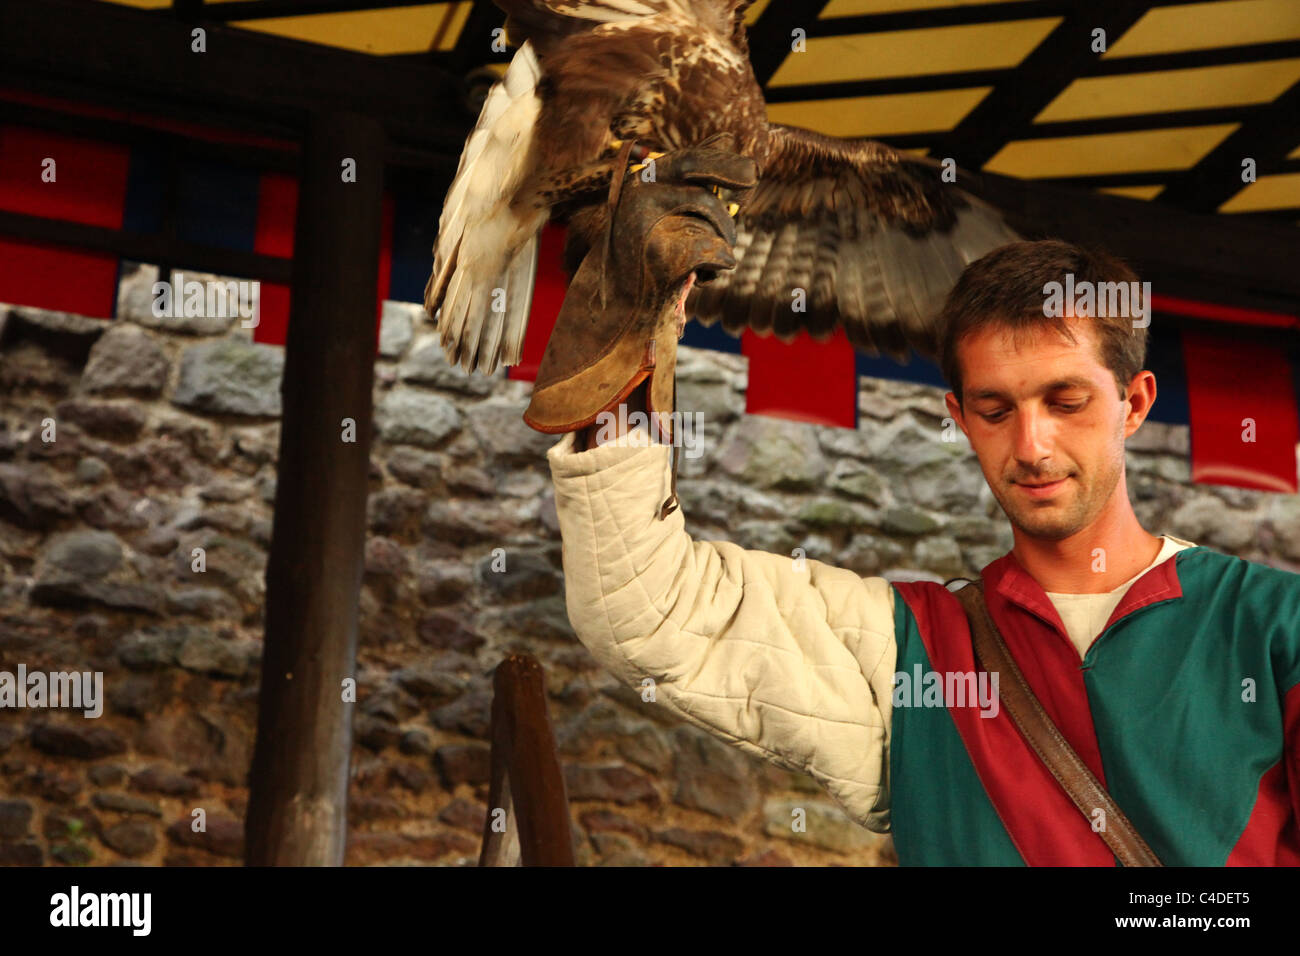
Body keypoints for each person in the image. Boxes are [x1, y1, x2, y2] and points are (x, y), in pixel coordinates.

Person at [536, 149, 1300, 866]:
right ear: (958, 417)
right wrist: (633, 339)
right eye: (994, 409)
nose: (1031, 446)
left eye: (1065, 401)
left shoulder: (1277, 626)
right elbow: (650, 610)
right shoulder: (909, 653)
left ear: (1134, 404)